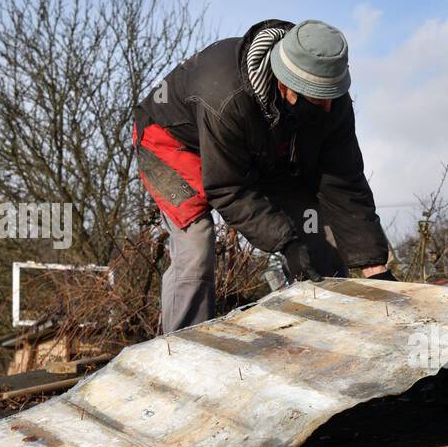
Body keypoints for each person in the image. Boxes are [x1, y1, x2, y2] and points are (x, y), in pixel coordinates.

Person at [133, 19, 393, 333]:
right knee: (196, 245)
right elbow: (229, 188)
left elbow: (343, 179)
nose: (327, 107)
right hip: (171, 142)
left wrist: (374, 265)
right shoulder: (225, 99)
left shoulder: (331, 100)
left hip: (257, 148)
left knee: (317, 236)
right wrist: (286, 243)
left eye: (331, 96)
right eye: (317, 97)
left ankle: (330, 334)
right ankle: (181, 348)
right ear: (286, 86)